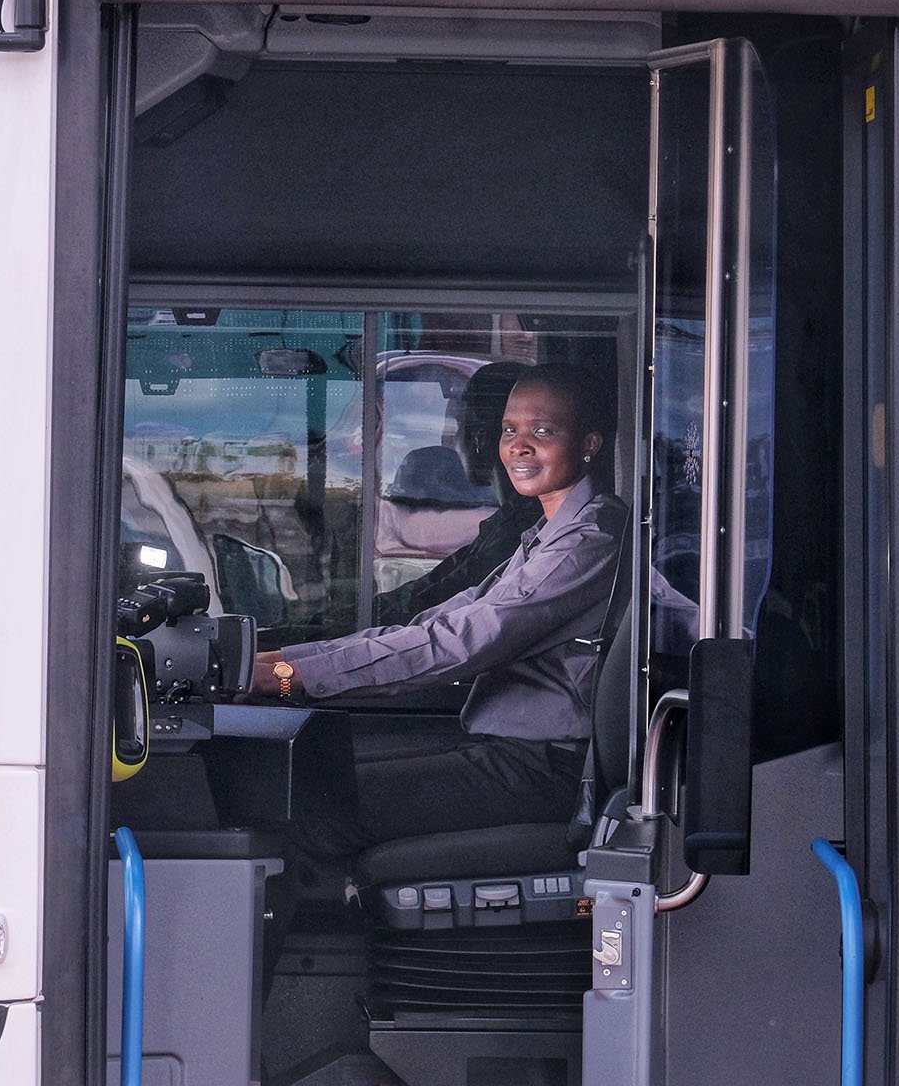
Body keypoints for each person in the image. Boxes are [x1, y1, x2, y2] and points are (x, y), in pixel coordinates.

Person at [253, 363, 625, 864]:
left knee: (312, 805)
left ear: (588, 445)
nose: (518, 445)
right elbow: (430, 624)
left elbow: (460, 643)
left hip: (548, 766)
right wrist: (276, 659)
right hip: (515, 748)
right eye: (510, 430)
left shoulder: (587, 544)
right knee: (307, 777)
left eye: (543, 431)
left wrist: (286, 676)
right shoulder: (546, 533)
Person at [372, 360, 541, 625]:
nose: (447, 442)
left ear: (478, 439)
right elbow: (436, 583)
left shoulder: (518, 532)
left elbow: (437, 601)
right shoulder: (507, 524)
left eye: (456, 425)